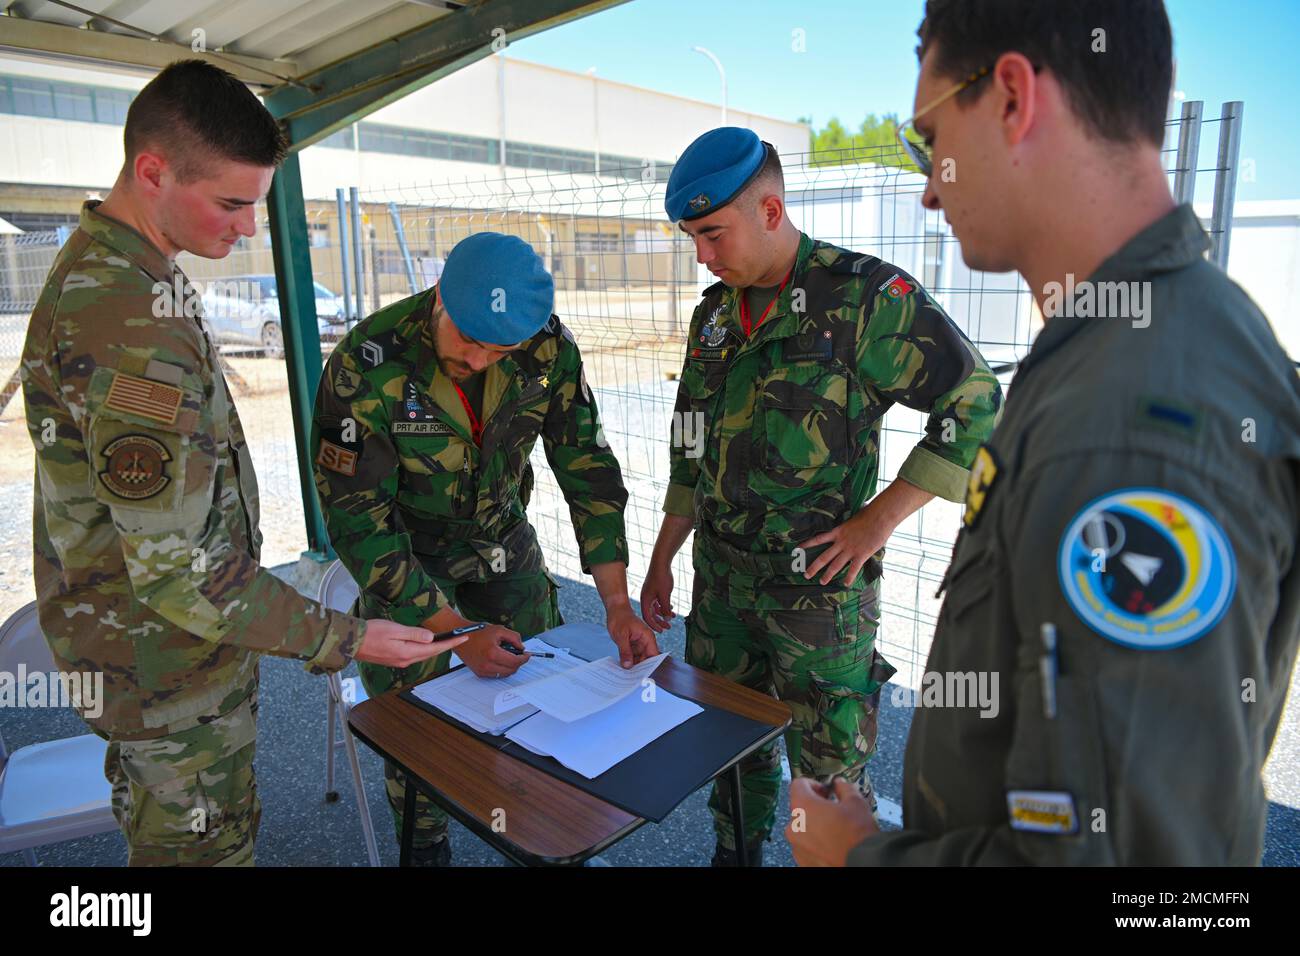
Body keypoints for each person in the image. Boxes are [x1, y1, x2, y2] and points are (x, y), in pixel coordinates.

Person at [788, 0, 1300, 866]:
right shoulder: (1125, 346)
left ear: (1014, 97)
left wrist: (857, 857)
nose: (930, 187)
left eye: (928, 139)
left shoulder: (1131, 419)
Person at [20, 60, 463, 866]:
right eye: (231, 203)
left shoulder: (132, 274)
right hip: (166, 676)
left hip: (161, 662)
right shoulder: (126, 315)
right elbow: (183, 573)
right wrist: (347, 637)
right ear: (152, 172)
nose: (250, 228)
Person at [641, 126, 1002, 866]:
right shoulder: (715, 315)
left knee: (828, 777)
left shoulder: (865, 297)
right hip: (722, 584)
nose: (702, 256)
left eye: (712, 234)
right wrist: (662, 558)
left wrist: (878, 521)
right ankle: (734, 854)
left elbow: (975, 403)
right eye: (692, 239)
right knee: (725, 743)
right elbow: (689, 446)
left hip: (818, 599)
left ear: (771, 212)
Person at [312, 231, 657, 866]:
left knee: (542, 690)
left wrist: (616, 604)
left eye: (499, 351)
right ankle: (425, 844)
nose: (477, 360)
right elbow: (358, 518)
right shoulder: (368, 363)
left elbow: (587, 470)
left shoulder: (548, 347)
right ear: (440, 297)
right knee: (416, 720)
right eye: (468, 339)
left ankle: (540, 833)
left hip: (502, 541)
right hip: (407, 561)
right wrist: (456, 631)